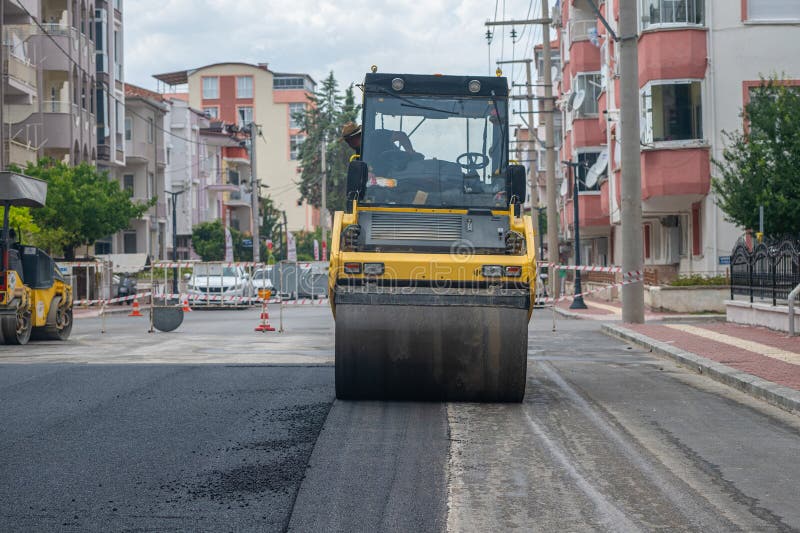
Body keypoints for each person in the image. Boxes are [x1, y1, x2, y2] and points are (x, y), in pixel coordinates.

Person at [341, 121, 416, 158]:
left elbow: (401, 136)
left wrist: (411, 153)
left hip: (399, 167)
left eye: (351, 140)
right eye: (347, 141)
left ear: (358, 135)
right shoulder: (360, 153)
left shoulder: (376, 136)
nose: (349, 143)